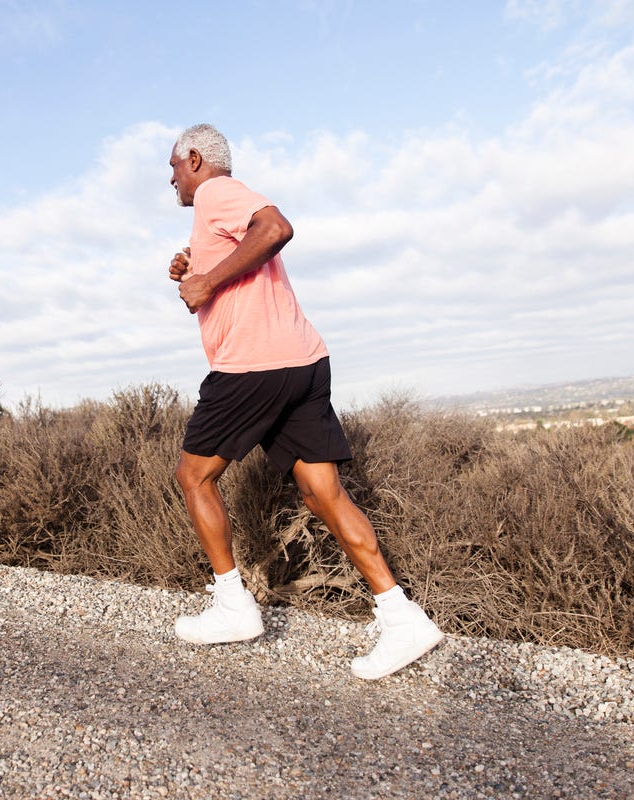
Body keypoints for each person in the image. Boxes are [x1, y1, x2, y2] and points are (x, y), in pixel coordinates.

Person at [166, 123, 443, 679]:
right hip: (304, 362)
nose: (170, 180)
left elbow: (276, 227)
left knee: (194, 477)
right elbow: (246, 249)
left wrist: (206, 280)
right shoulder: (217, 215)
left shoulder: (218, 191)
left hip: (253, 366)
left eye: (172, 168)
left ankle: (233, 605)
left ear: (195, 159)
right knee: (324, 493)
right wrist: (193, 267)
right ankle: (401, 616)